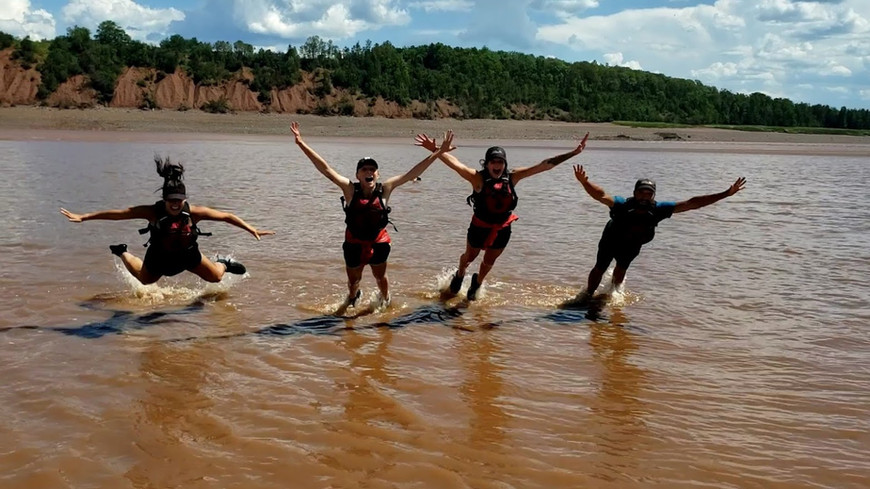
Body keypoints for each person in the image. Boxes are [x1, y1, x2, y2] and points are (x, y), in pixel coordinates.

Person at [290, 121, 455, 308]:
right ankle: (353, 296)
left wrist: (439, 152)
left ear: (377, 174)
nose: (368, 172)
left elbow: (412, 174)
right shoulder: (350, 190)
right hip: (353, 243)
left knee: (380, 277)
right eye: (364, 169)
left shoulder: (385, 189)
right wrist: (301, 143)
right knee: (353, 280)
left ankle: (385, 300)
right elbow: (326, 169)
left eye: (372, 169)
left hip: (378, 242)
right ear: (358, 174)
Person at [415, 132, 589, 300]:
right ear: (487, 164)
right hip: (479, 227)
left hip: (502, 228)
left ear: (504, 164)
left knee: (488, 261)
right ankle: (460, 274)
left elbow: (544, 165)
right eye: (493, 162)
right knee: (469, 257)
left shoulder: (513, 177)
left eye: (500, 162)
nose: (497, 166)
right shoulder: (477, 179)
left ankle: (477, 282)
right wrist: (435, 149)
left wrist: (573, 153)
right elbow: (456, 164)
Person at [60, 156, 274, 285]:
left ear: (185, 199)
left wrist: (251, 228)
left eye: (179, 200)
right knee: (144, 281)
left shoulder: (194, 213)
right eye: (171, 200)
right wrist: (84, 217)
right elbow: (119, 214)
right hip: (159, 257)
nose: (175, 204)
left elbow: (226, 217)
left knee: (217, 278)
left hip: (188, 255)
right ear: (164, 199)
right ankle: (122, 251)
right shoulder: (152, 212)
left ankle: (224, 263)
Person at [573, 164, 746, 298]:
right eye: (641, 193)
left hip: (634, 242)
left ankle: (613, 292)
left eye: (649, 194)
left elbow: (692, 203)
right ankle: (588, 295)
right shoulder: (622, 204)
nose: (644, 197)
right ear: (634, 193)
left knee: (622, 268)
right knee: (600, 267)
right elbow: (600, 195)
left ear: (653, 196)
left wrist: (725, 194)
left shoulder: (659, 209)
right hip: (612, 238)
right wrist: (584, 182)